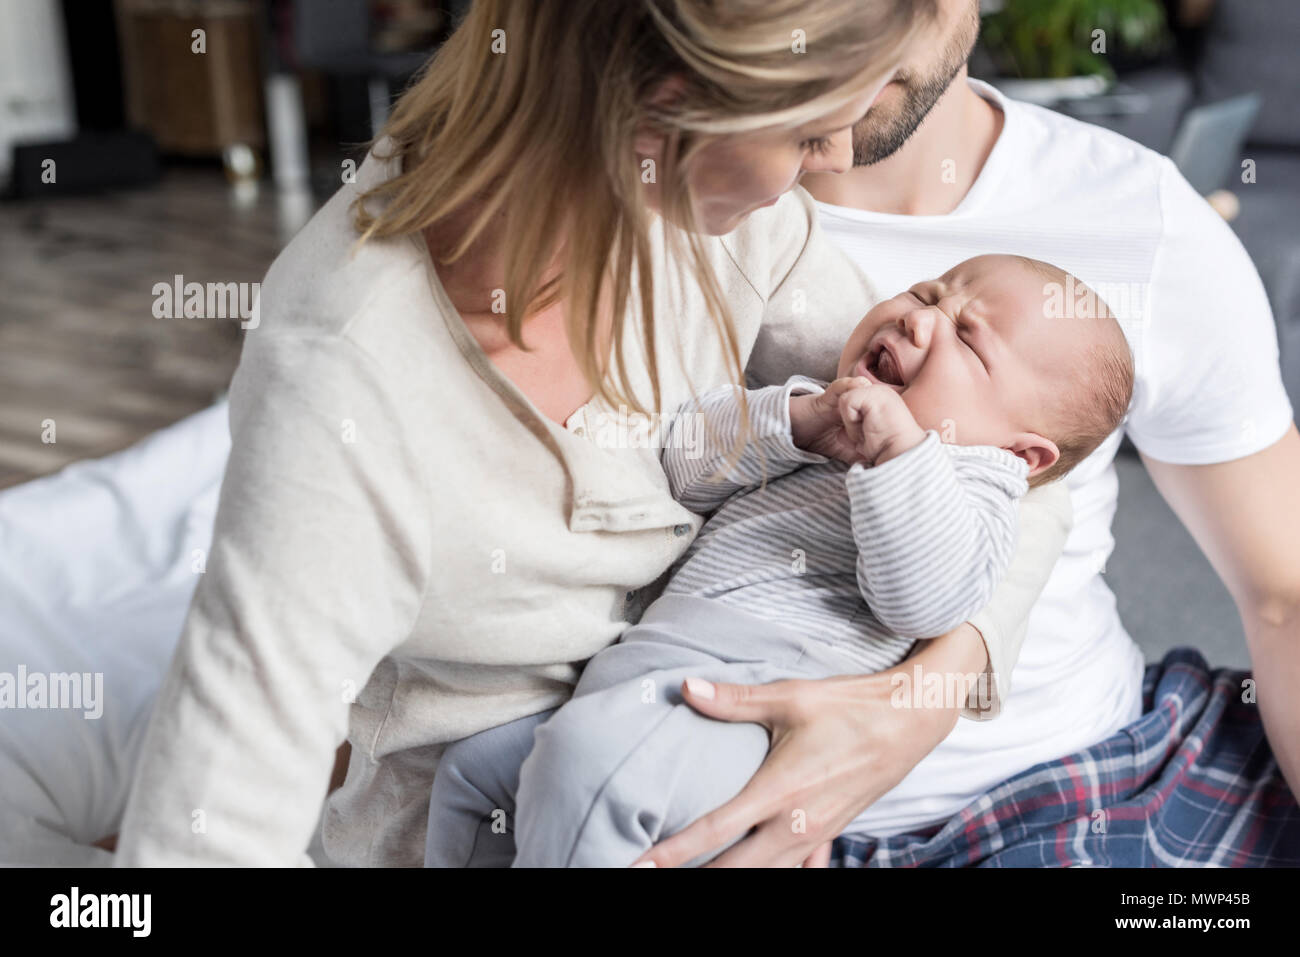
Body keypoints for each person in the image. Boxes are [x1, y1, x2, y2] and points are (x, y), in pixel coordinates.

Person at [114, 0, 1077, 867]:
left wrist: (907, 711)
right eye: (812, 132)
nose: (832, 161)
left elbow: (1013, 457)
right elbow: (201, 836)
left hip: (707, 771)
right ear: (669, 103)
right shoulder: (347, 390)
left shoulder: (726, 223)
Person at [637, 0, 1299, 868]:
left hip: (1082, 772)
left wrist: (928, 694)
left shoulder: (1137, 214)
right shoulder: (658, 202)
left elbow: (1281, 594)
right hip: (711, 786)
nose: (867, 49)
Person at [423, 255, 1133, 867]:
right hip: (642, 679)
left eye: (968, 339)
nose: (920, 320)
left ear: (1021, 454)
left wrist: (899, 456)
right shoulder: (817, 413)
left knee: (588, 767)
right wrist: (797, 421)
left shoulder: (976, 490)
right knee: (475, 772)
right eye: (924, 294)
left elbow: (924, 601)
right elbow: (682, 465)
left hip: (751, 711)